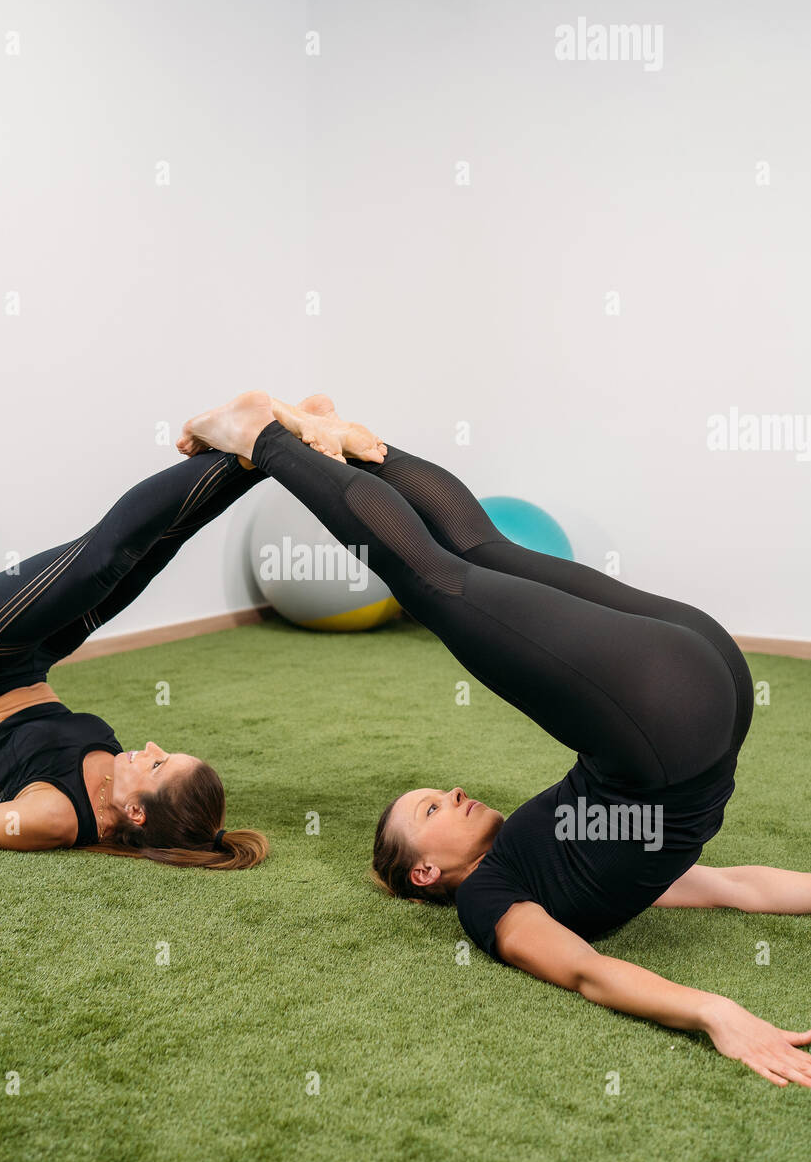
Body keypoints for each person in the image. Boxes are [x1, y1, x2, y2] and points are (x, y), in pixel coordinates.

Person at [177, 389, 811, 1087]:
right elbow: (590, 968)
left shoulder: (573, 872)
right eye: (430, 810)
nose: (452, 792)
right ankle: (263, 437)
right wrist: (714, 1011)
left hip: (695, 700)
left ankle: (344, 443)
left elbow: (731, 888)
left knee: (475, 554)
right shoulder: (489, 899)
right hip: (673, 703)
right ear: (423, 875)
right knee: (432, 576)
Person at [0, 396, 383, 870]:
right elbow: (27, 759)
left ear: (136, 812)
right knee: (150, 556)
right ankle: (263, 453)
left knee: (102, 560)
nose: (154, 747)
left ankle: (254, 440)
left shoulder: (56, 818)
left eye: (159, 764)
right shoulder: (118, 785)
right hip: (30, 663)